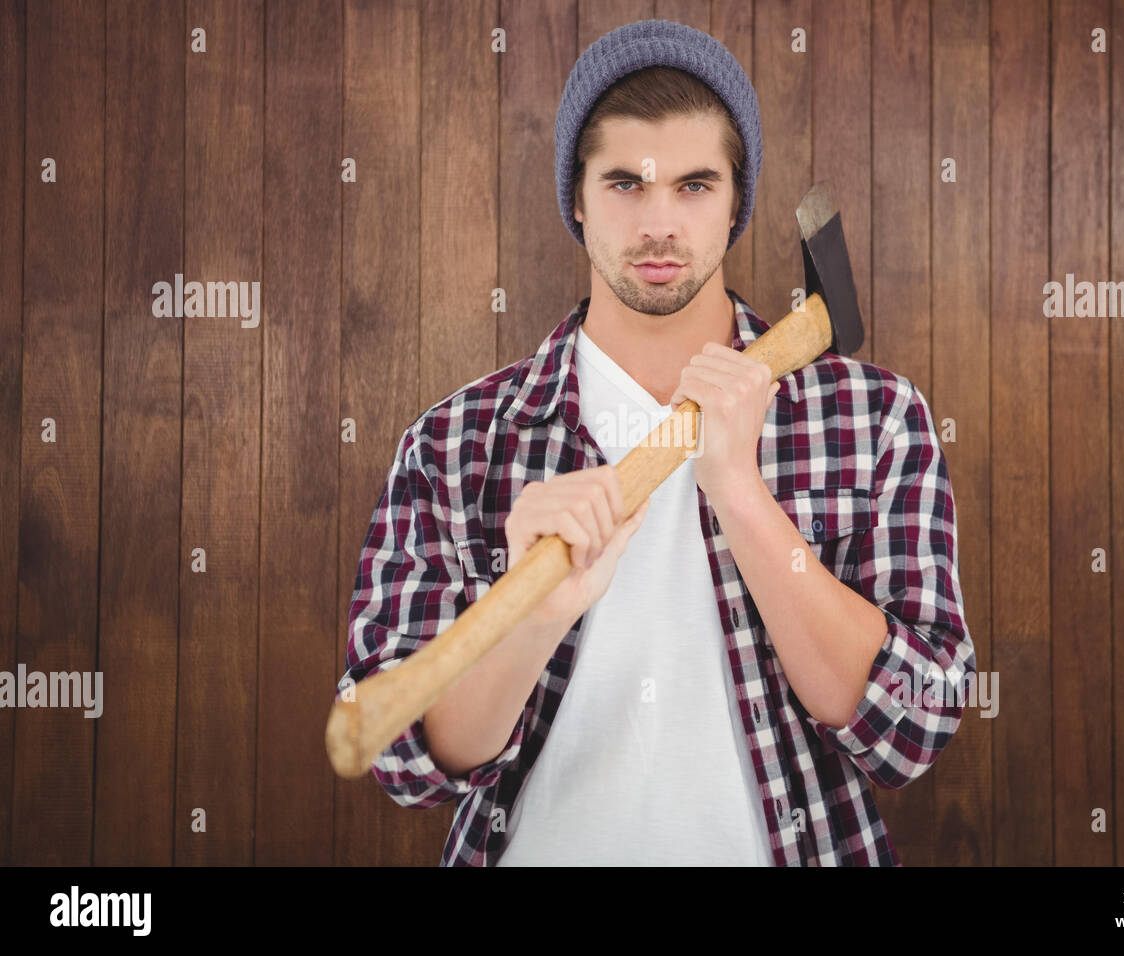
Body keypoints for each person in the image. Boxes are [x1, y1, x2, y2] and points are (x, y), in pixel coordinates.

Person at [339, 18, 975, 866]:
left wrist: (744, 501)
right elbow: (406, 761)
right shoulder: (456, 444)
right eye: (626, 185)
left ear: (737, 201)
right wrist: (539, 612)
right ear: (576, 197)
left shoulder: (874, 418)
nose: (660, 225)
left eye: (694, 185)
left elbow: (918, 723)